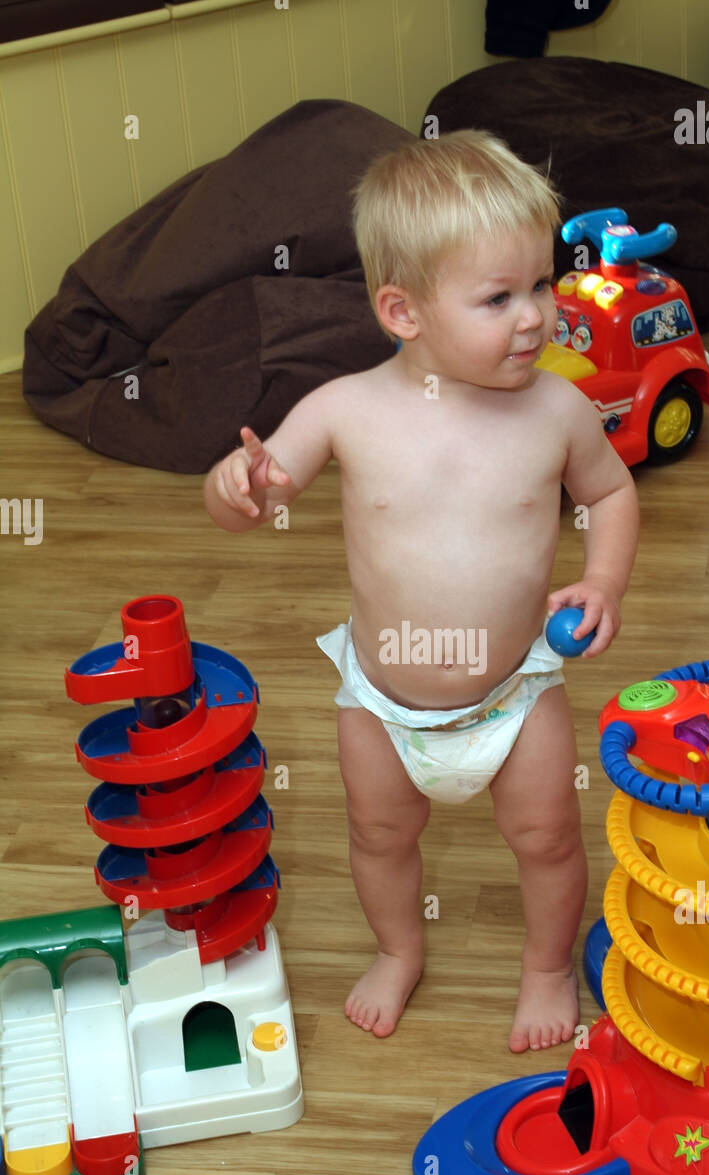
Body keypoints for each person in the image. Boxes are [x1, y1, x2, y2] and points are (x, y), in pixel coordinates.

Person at [203, 130, 639, 1052]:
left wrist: (602, 578)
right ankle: (399, 951)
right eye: (498, 298)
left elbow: (609, 490)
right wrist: (238, 487)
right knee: (379, 838)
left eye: (542, 285)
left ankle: (547, 966)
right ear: (401, 311)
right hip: (380, 702)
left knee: (549, 840)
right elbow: (251, 493)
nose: (535, 317)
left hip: (515, 692)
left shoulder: (556, 411)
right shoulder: (344, 410)